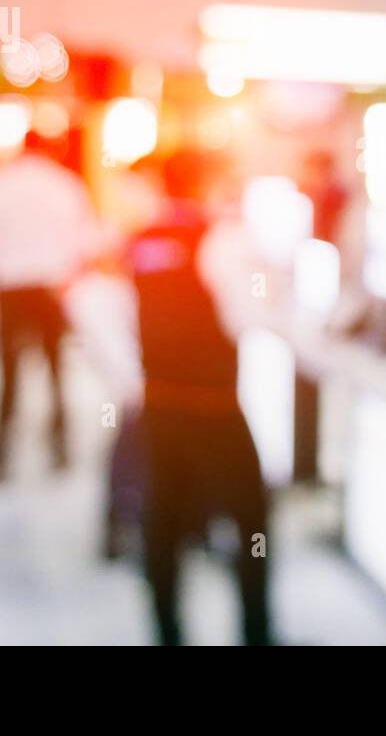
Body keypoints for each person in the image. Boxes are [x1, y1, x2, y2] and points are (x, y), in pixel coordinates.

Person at [126, 150, 270, 647]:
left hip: (159, 404)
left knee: (163, 526)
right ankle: (257, 631)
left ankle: (167, 632)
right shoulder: (221, 239)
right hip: (216, 408)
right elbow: (245, 318)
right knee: (252, 520)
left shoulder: (141, 240)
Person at [0, 131, 99, 480]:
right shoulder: (66, 185)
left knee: (8, 374)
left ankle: (0, 457)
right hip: (52, 293)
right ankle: (61, 449)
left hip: (11, 293)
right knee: (56, 370)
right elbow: (88, 244)